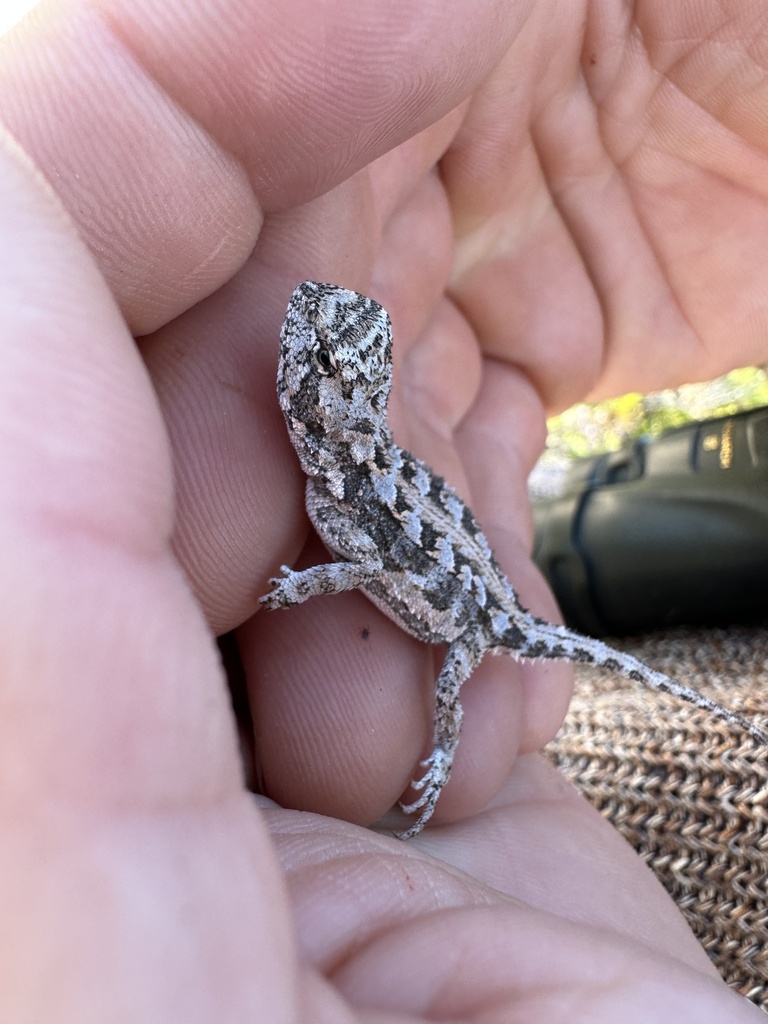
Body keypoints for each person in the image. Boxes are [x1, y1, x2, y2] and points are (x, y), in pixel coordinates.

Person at [0, 0, 765, 1018]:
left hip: (469, 613)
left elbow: (361, 562)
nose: (293, 353)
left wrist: (302, 581)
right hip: (453, 554)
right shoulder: (335, 465)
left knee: (451, 699)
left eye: (316, 358)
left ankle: (460, 739)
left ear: (329, 399)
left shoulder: (345, 491)